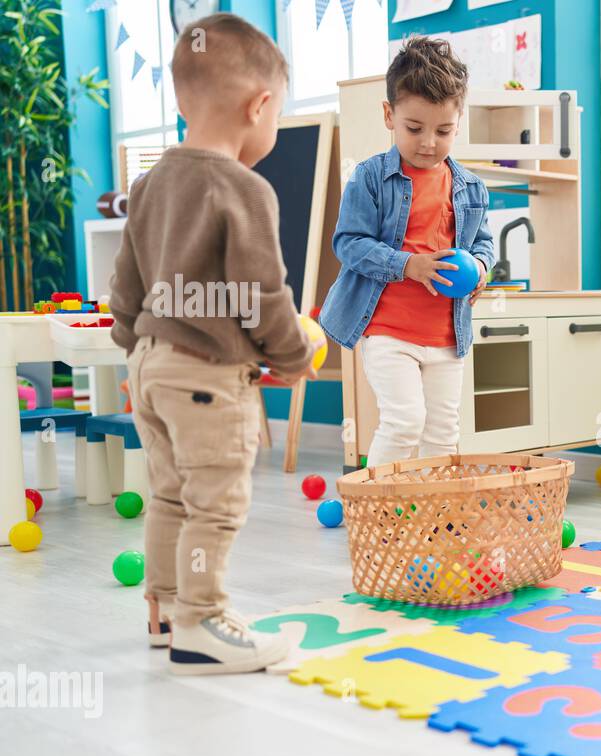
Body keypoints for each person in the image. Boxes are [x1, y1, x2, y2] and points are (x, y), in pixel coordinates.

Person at [109, 13, 314, 674]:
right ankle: (202, 622)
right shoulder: (244, 189)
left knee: (170, 493)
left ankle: (165, 611)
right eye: (276, 111)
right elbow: (262, 292)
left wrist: (137, 349)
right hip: (205, 375)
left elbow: (126, 287)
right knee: (217, 503)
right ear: (259, 106)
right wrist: (293, 356)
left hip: (150, 366)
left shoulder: (149, 185)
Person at [319, 36, 496, 466]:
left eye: (444, 130)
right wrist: (407, 265)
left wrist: (480, 268)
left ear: (458, 123)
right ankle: (380, 512)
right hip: (388, 331)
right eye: (414, 128)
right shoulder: (369, 178)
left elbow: (485, 245)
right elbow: (349, 243)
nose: (429, 142)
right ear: (388, 115)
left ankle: (432, 523)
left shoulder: (471, 187)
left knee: (443, 431)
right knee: (403, 421)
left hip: (446, 335)